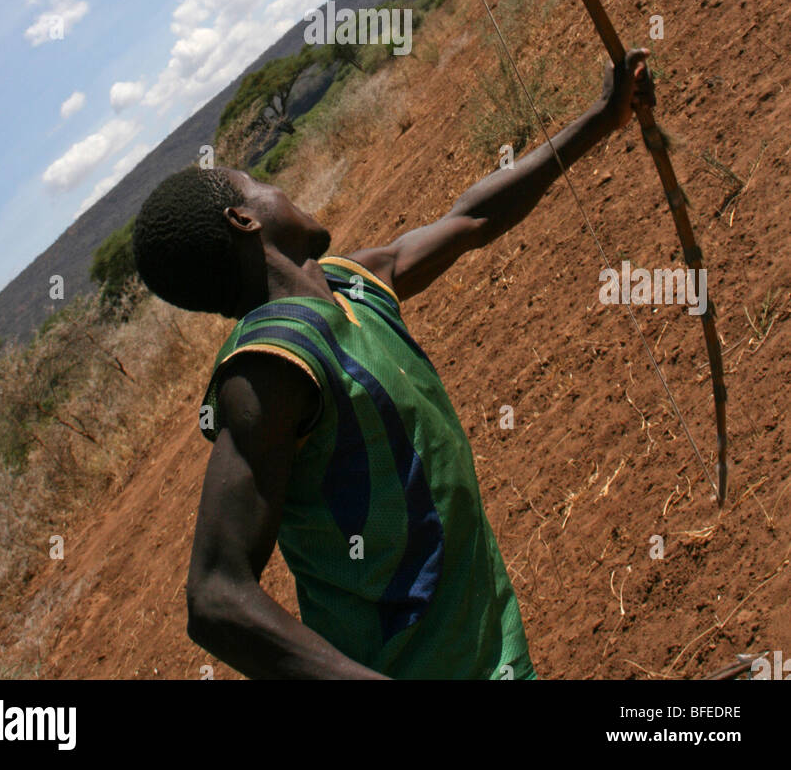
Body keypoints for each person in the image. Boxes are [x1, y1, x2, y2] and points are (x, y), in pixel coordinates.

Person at [131, 48, 655, 680]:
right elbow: (215, 597)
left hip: (487, 650)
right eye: (259, 183)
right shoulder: (267, 368)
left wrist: (601, 120)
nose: (281, 187)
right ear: (244, 218)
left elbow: (472, 217)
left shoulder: (349, 284)